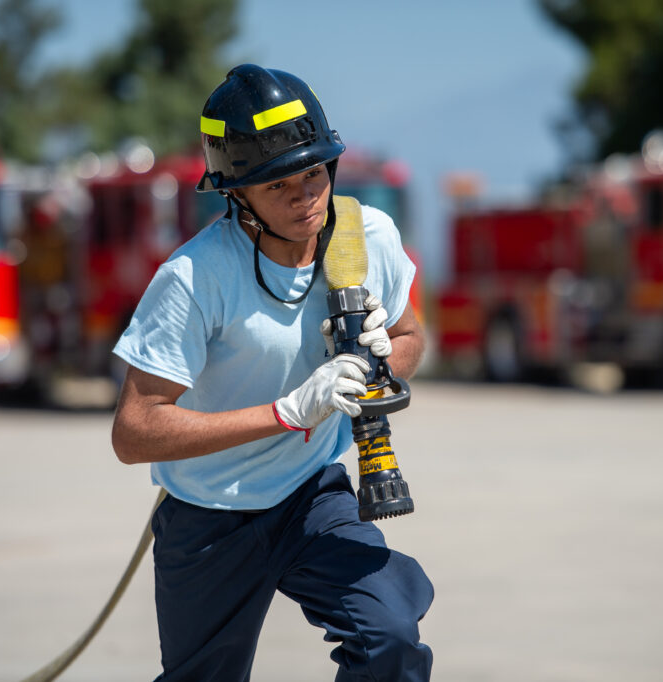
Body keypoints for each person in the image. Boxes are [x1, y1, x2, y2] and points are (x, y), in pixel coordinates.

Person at [110, 64, 434, 681]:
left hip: (313, 496)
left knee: (389, 635)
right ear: (237, 192)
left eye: (314, 173)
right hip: (209, 513)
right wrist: (286, 413)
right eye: (277, 185)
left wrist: (384, 360)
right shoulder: (195, 278)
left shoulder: (364, 239)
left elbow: (409, 336)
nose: (305, 196)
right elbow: (135, 431)